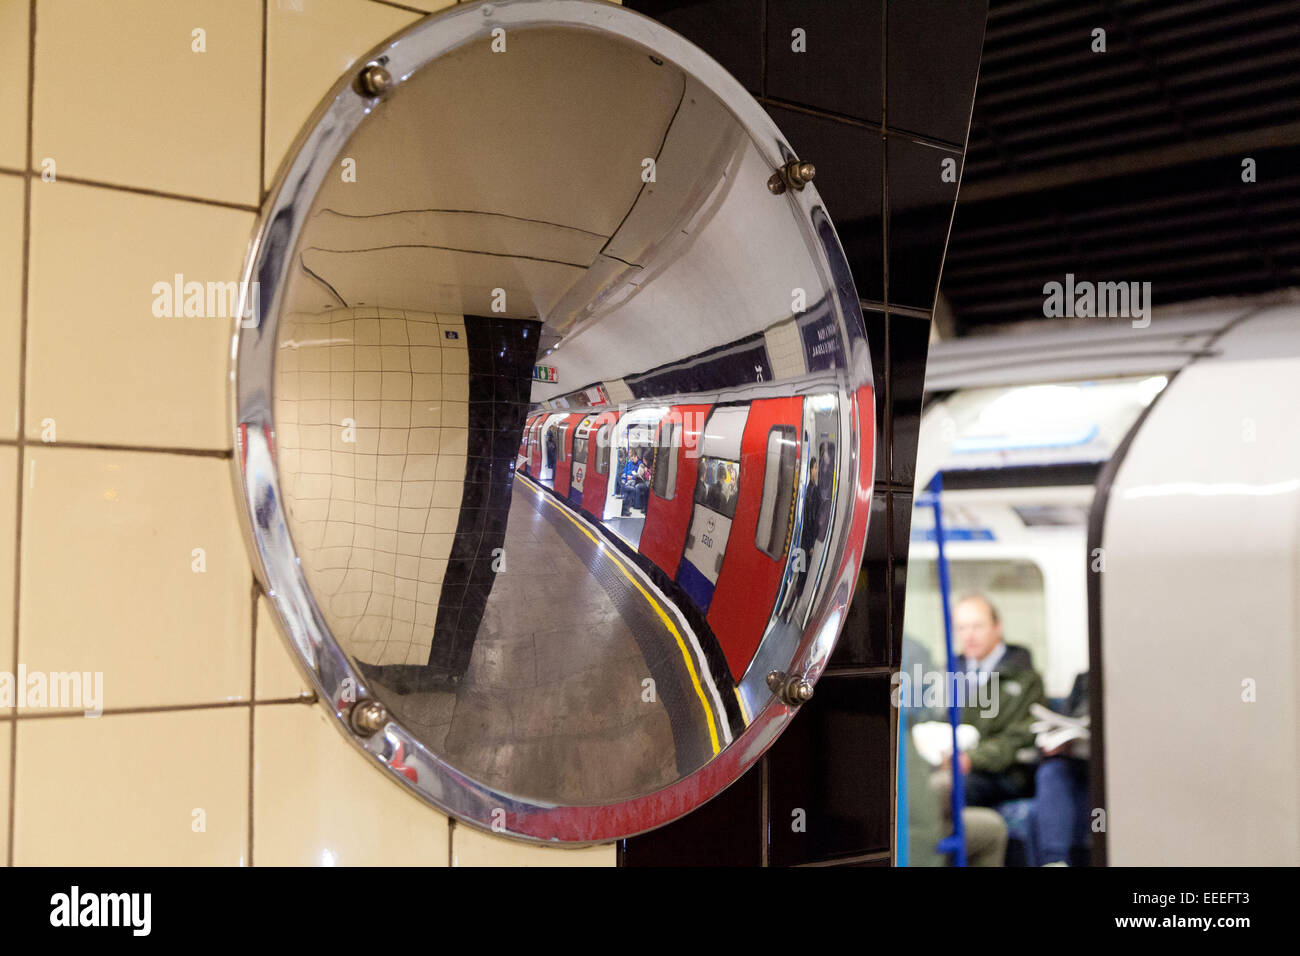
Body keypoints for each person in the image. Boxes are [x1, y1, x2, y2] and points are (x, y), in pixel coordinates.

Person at [951, 592, 1045, 807]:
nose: (969, 635)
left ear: (997, 627)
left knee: (951, 789)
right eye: (962, 628)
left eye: (977, 626)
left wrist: (972, 759)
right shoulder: (949, 674)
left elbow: (1020, 736)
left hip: (1005, 773)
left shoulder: (1026, 678)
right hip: (956, 766)